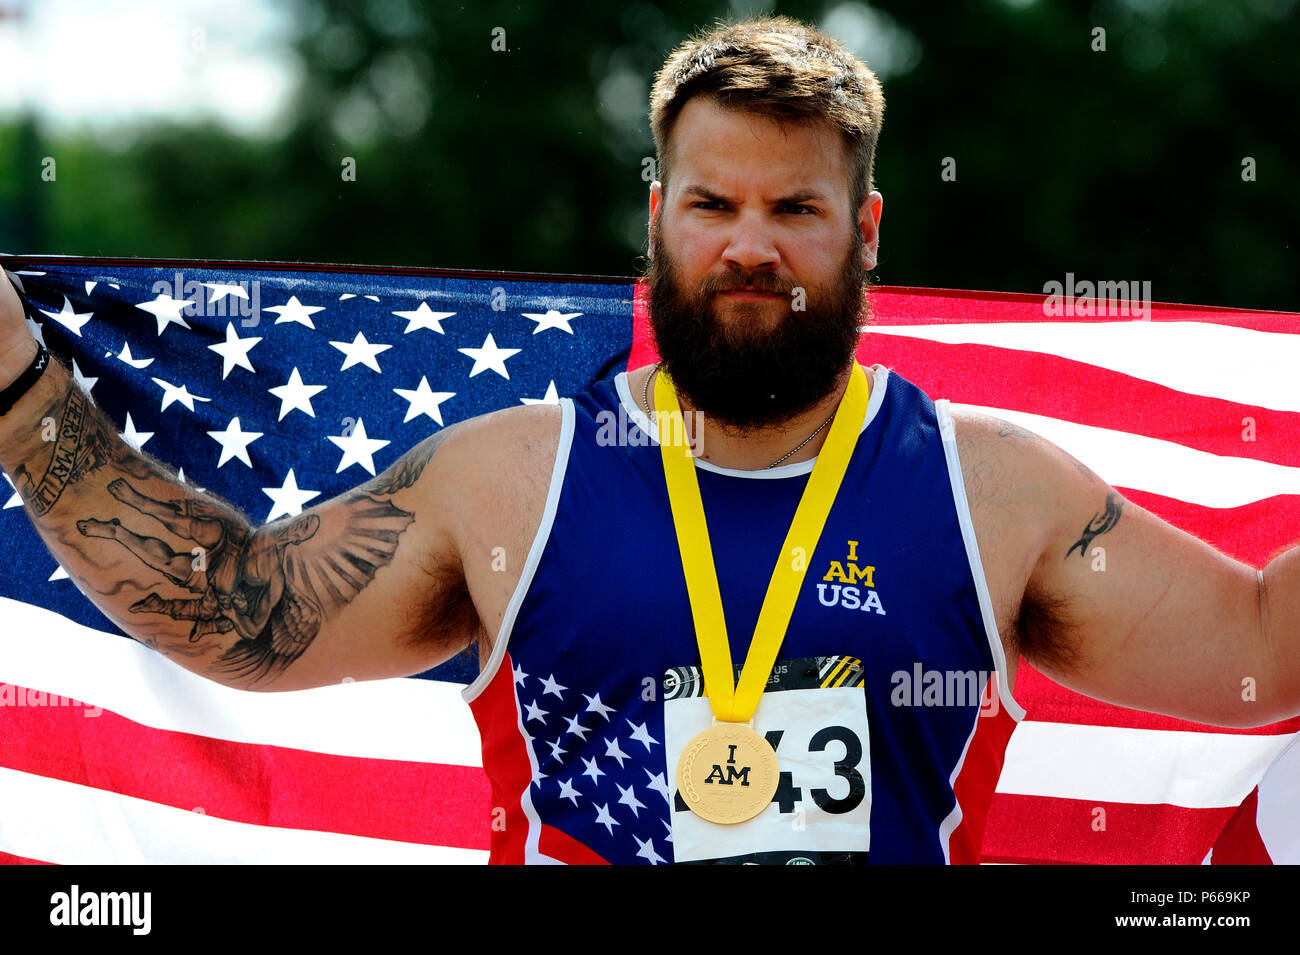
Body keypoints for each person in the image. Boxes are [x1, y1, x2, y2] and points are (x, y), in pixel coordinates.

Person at [0, 15, 1295, 865]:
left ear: (869, 231)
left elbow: (1255, 652)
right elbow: (243, 613)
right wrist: (19, 394)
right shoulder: (512, 477)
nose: (749, 243)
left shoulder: (989, 492)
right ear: (658, 216)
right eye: (712, 202)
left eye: (796, 206)